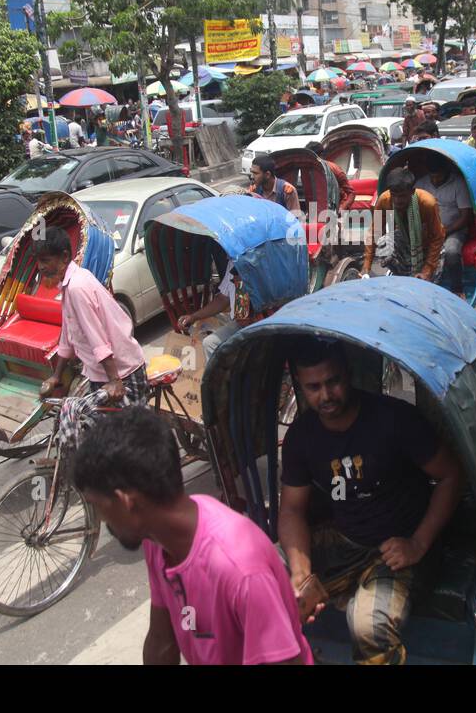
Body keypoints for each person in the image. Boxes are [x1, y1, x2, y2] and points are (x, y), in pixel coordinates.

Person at [70, 406, 309, 664]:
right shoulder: (158, 540)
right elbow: (162, 640)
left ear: (126, 502)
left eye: (98, 506)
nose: (102, 520)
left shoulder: (241, 570)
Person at [278, 339, 464, 664]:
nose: (325, 395)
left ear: (348, 374)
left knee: (370, 627)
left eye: (332, 382)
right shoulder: (301, 436)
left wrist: (418, 544)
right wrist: (300, 573)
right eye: (313, 387)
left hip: (399, 551)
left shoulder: (394, 419)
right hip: (345, 541)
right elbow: (292, 508)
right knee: (261, 584)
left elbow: (451, 476)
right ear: (299, 387)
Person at [33, 225, 149, 405]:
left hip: (122, 373)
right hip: (102, 374)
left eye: (46, 260)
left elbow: (97, 338)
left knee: (126, 431)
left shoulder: (77, 287)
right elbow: (68, 335)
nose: (40, 267)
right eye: (39, 261)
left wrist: (115, 381)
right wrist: (56, 376)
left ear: (64, 257)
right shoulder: (69, 284)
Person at [361, 166, 444, 281]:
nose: (398, 200)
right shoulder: (384, 200)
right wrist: (366, 267)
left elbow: (437, 237)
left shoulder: (427, 203)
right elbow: (375, 232)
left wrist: (427, 271)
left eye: (403, 196)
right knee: (383, 243)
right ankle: (401, 276)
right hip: (404, 241)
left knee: (431, 280)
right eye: (394, 195)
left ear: (412, 192)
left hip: (427, 244)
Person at [414, 154, 472, 298]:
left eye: (438, 176)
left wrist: (444, 231)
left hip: (454, 229)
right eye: (432, 176)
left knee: (451, 252)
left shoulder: (458, 184)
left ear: (446, 171)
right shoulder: (421, 183)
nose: (434, 180)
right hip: (428, 229)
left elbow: (465, 216)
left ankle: (457, 290)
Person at [305, 141, 356, 211]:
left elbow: (351, 193)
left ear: (321, 155)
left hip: (337, 207)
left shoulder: (335, 169)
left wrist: (343, 207)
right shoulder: (309, 170)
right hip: (319, 208)